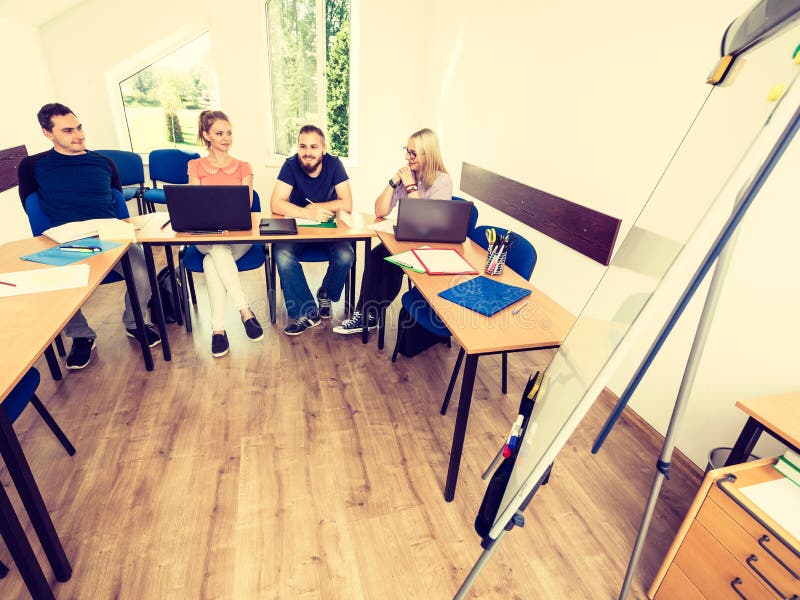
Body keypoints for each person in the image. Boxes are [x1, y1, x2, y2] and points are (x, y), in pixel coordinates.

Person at [17, 103, 160, 369]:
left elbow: (117, 201)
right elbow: (31, 206)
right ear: (48, 134)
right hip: (67, 240)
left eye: (79, 127)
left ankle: (135, 322)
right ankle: (82, 336)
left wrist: (126, 227)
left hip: (109, 235)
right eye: (68, 130)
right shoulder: (33, 166)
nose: (78, 134)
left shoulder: (103, 163)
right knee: (53, 284)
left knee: (142, 273)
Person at [333, 128, 452, 334]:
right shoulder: (409, 175)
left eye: (413, 153)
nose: (407, 157)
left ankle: (372, 314)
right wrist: (392, 182)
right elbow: (380, 210)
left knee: (391, 265)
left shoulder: (442, 181)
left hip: (430, 246)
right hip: (407, 239)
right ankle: (364, 312)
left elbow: (424, 222)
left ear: (428, 154)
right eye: (407, 150)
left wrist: (411, 187)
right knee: (375, 255)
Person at [187, 110, 264, 357]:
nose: (226, 138)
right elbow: (194, 205)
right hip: (206, 238)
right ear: (206, 135)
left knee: (213, 261)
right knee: (216, 249)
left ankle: (217, 330)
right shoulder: (195, 166)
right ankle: (245, 312)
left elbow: (246, 203)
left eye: (229, 133)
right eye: (219, 133)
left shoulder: (244, 167)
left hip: (238, 238)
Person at [270, 125, 355, 335]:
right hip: (299, 228)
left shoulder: (334, 164)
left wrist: (319, 208)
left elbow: (347, 204)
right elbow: (276, 204)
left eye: (314, 147)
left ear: (324, 149)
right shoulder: (290, 165)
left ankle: (325, 294)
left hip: (328, 230)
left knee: (346, 255)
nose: (308, 152)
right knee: (281, 253)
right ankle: (306, 312)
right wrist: (307, 214)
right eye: (303, 146)